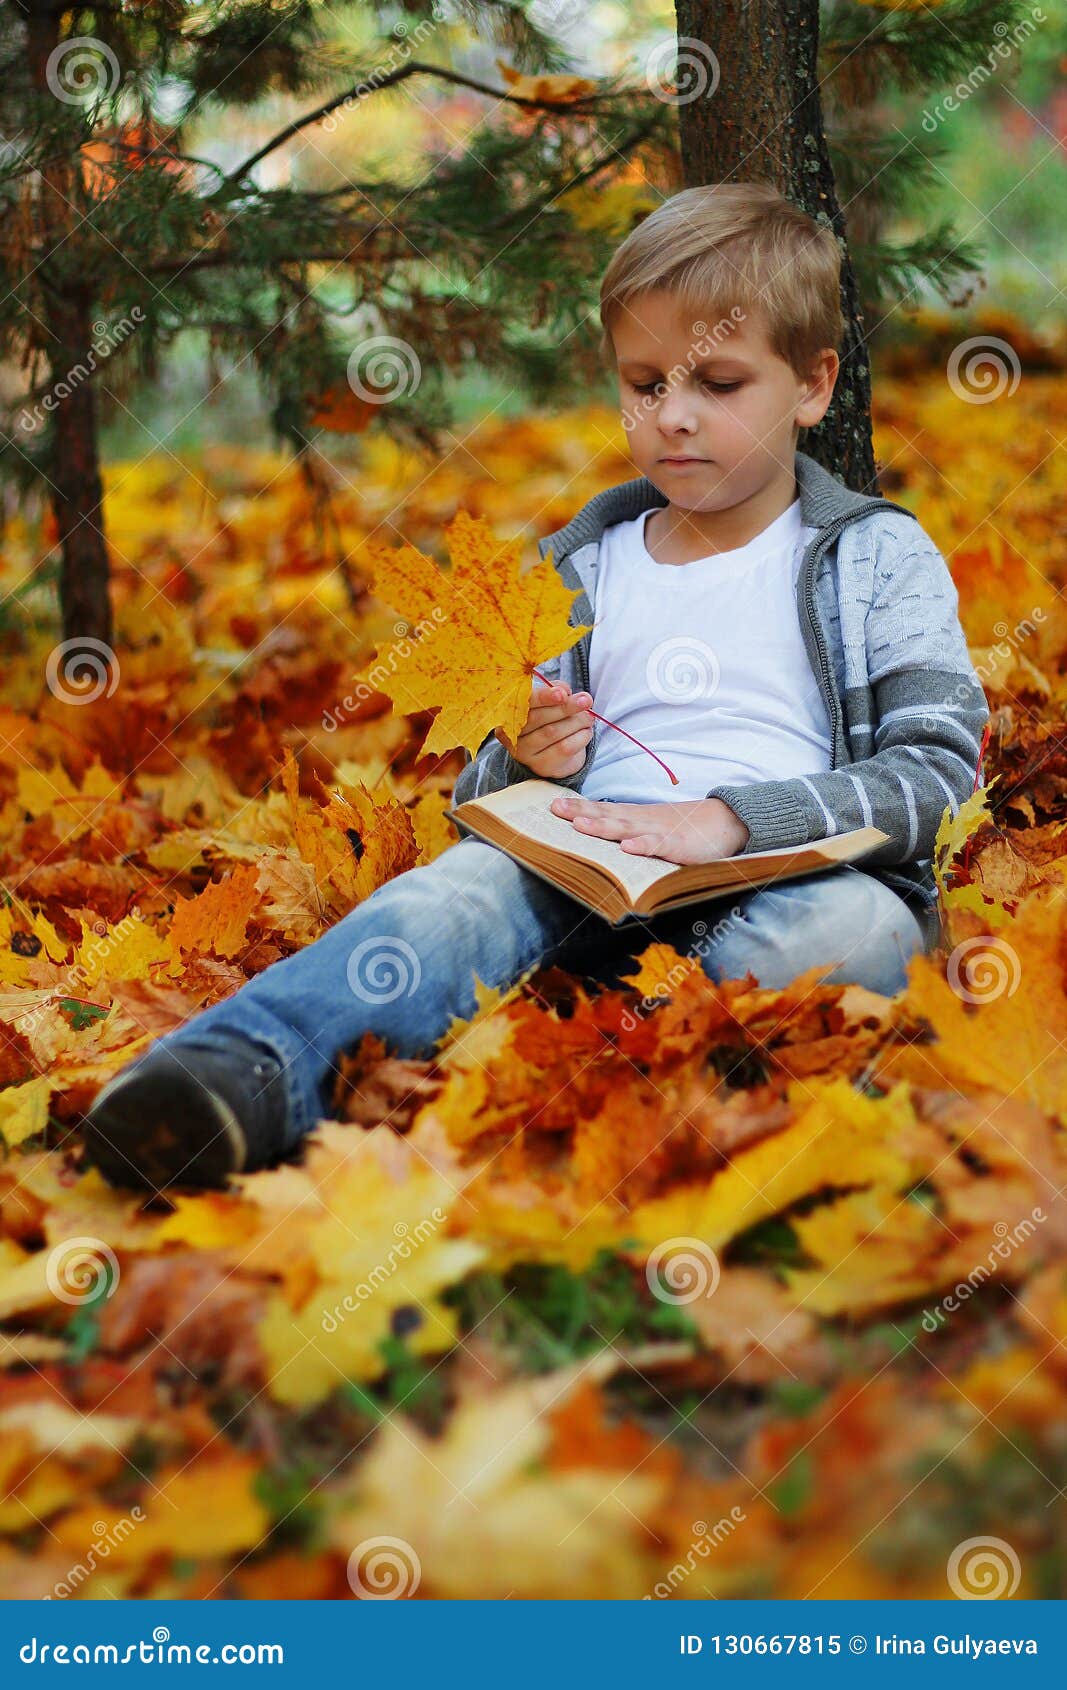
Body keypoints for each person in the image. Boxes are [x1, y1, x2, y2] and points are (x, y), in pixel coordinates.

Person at [82, 181, 989, 1194]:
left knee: (855, 935)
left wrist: (732, 821)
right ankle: (234, 1073)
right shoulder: (581, 566)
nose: (672, 418)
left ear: (813, 386)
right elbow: (483, 801)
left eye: (718, 385)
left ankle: (650, 1065)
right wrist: (524, 753)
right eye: (643, 384)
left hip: (780, 879)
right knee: (440, 901)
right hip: (577, 871)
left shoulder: (872, 558)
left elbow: (935, 776)